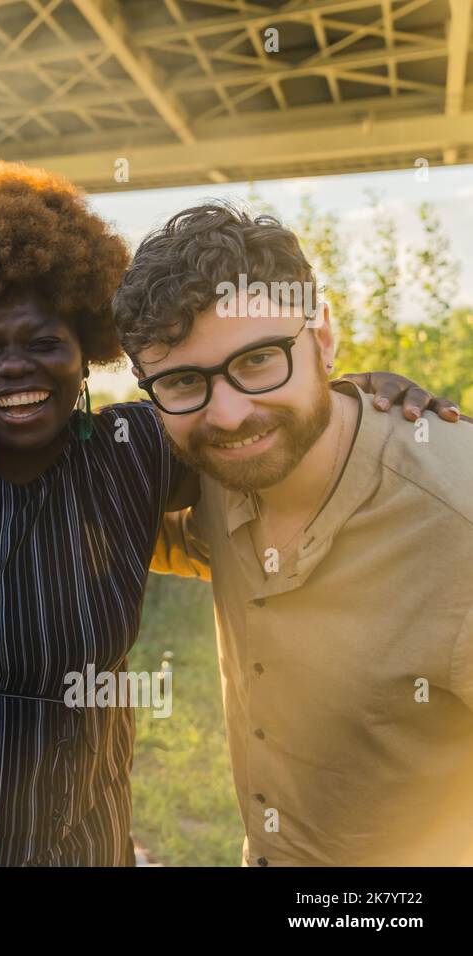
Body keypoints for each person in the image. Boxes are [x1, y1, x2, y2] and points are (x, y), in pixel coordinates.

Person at [0, 163, 451, 866]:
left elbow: (248, 427)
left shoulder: (132, 451)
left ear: (88, 351)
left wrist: (356, 398)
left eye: (46, 343)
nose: (15, 369)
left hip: (90, 843)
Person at [117, 202, 473, 866]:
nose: (228, 414)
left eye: (257, 361)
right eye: (184, 381)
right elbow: (101, 516)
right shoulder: (220, 483)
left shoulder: (457, 526)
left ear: (325, 337)